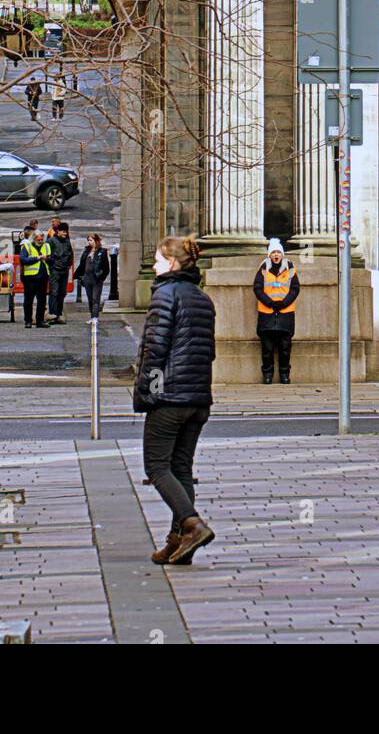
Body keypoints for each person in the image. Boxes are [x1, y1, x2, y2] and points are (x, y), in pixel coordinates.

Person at [135, 235, 216, 566]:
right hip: (198, 397)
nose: (153, 265)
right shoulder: (202, 298)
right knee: (181, 467)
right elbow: (207, 351)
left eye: (157, 259)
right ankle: (177, 543)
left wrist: (148, 392)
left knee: (156, 467)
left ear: (171, 262)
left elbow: (155, 350)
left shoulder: (164, 295)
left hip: (170, 397)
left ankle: (192, 525)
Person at [254, 238, 299, 385]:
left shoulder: (290, 268)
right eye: (273, 252)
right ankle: (267, 375)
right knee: (267, 348)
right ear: (269, 255)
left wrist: (284, 303)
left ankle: (284, 375)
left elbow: (295, 289)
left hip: (285, 314)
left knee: (285, 348)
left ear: (282, 254)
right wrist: (270, 303)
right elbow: (257, 288)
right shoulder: (263, 268)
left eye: (278, 251)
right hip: (267, 314)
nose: (276, 254)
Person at [73, 233, 110, 320]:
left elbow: (106, 267)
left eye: (91, 240)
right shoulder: (86, 251)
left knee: (95, 299)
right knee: (90, 299)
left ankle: (95, 317)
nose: (89, 242)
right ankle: (92, 316)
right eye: (88, 240)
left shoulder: (102, 251)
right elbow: (82, 264)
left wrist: (102, 277)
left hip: (96, 278)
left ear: (96, 241)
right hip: (87, 278)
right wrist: (80, 275)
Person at [19, 230, 51, 329]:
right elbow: (23, 260)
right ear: (34, 238)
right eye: (39, 239)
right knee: (28, 300)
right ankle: (28, 321)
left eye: (42, 239)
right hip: (30, 278)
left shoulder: (46, 246)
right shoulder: (27, 246)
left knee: (42, 301)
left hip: (43, 277)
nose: (41, 241)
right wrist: (37, 258)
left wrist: (48, 259)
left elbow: (52, 259)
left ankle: (40, 321)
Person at [46, 221, 73, 324]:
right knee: (54, 292)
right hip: (55, 270)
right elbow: (47, 255)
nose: (65, 233)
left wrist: (68, 264)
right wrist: (52, 265)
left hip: (64, 270)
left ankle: (59, 314)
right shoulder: (51, 241)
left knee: (62, 293)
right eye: (63, 231)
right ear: (58, 231)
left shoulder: (67, 241)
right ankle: (52, 314)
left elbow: (70, 253)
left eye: (66, 231)